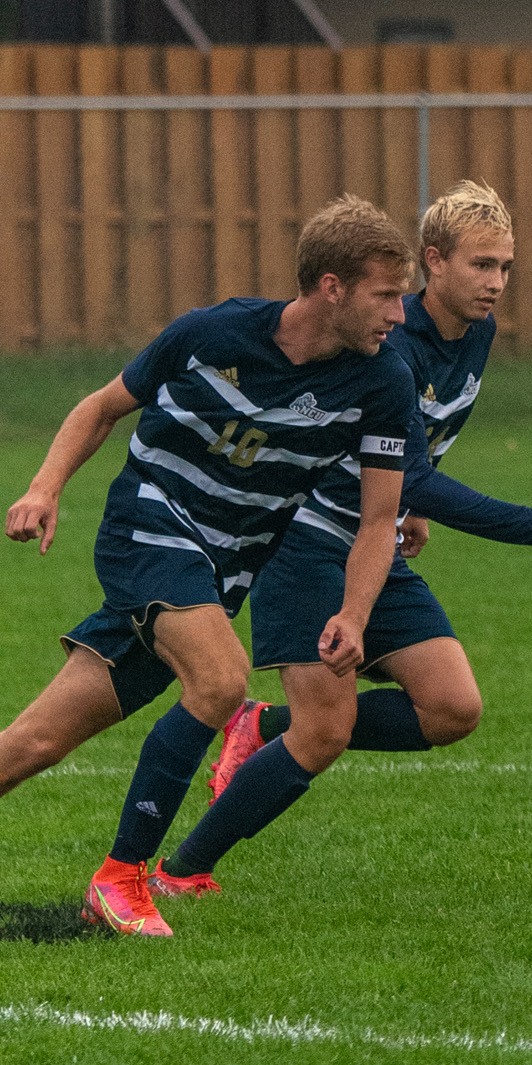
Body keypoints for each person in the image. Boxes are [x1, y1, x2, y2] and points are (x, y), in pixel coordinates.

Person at [145, 181, 532, 897]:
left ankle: (262, 725)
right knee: (325, 733)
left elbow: (414, 451)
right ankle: (183, 871)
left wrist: (402, 503)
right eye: (482, 265)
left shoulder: (475, 335)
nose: (496, 283)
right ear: (434, 262)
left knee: (453, 708)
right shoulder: (392, 345)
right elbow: (412, 468)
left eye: (506, 267)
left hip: (372, 542)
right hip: (303, 547)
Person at [0, 195, 421, 937]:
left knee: (35, 742)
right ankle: (121, 879)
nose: (399, 313)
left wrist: (354, 615)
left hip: (217, 575)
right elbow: (101, 407)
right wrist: (44, 488)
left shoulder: (380, 382)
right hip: (148, 530)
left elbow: (380, 520)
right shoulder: (210, 333)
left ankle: (120, 875)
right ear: (332, 286)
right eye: (386, 295)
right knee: (223, 679)